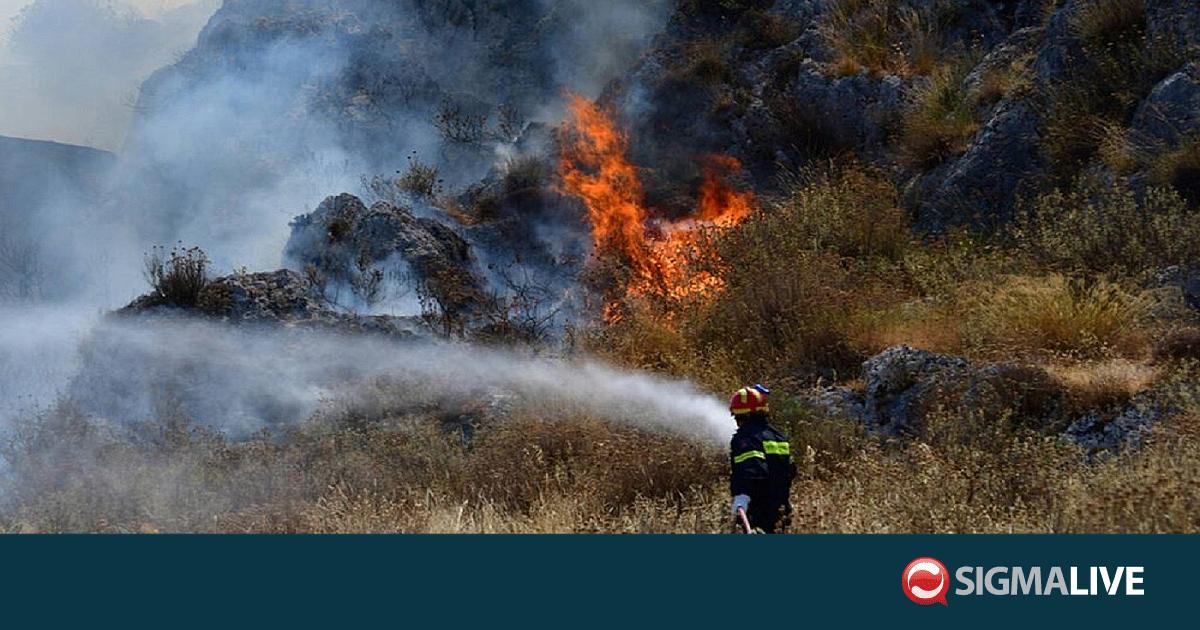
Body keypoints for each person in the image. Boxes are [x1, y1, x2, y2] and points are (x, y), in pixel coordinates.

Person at [729, 384, 795, 533]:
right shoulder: (779, 437)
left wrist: (742, 496)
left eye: (737, 416)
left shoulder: (745, 438)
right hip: (782, 510)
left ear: (744, 415)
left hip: (758, 513)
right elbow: (791, 470)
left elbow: (752, 470)